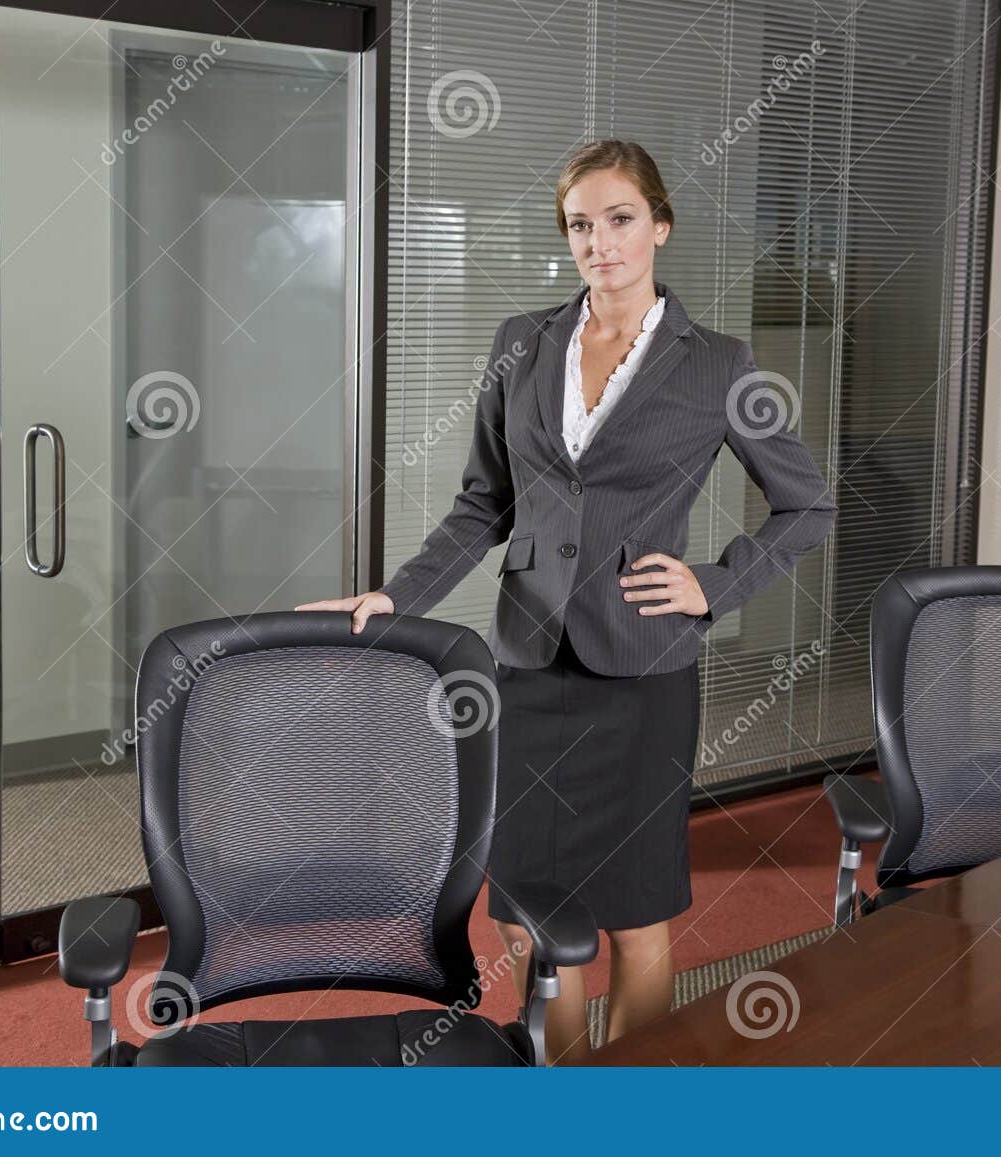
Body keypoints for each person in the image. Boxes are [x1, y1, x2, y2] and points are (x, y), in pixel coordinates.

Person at [299, 139, 836, 1062]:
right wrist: (398, 595)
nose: (601, 242)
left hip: (643, 670)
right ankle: (561, 1080)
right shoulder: (522, 343)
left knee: (633, 917)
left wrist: (711, 582)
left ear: (660, 226)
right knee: (524, 908)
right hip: (528, 660)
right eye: (581, 225)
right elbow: (484, 504)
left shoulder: (718, 365)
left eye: (620, 219)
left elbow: (808, 502)